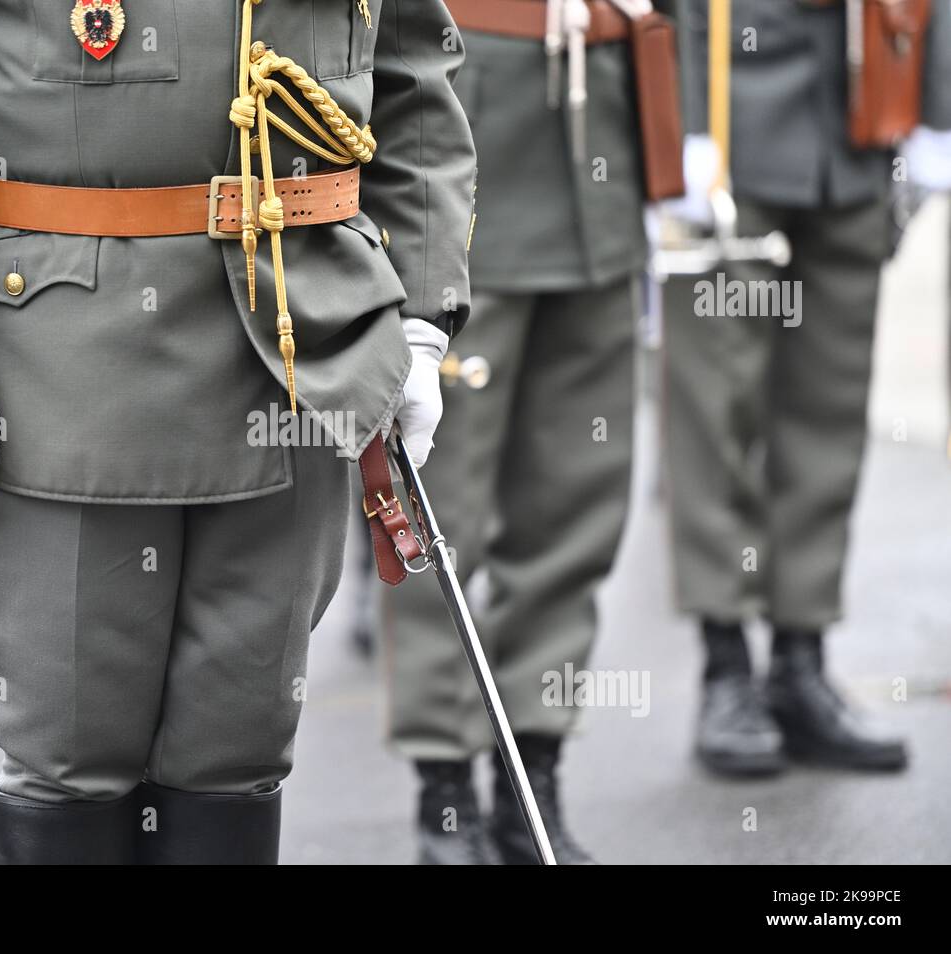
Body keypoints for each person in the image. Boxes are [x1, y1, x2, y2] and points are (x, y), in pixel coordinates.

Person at [0, 0, 475, 864]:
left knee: (239, 743)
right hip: (64, 363)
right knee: (69, 745)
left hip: (297, 349)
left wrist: (423, 316)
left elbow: (411, 73)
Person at [379, 0, 670, 864]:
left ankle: (530, 771)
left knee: (574, 509)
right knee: (439, 512)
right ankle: (443, 786)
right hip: (470, 143)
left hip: (599, 152)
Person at [662, 0, 951, 776]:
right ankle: (726, 665)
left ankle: (800, 658)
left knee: (830, 403)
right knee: (716, 409)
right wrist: (683, 125)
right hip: (729, 119)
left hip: (860, 110)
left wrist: (936, 109)